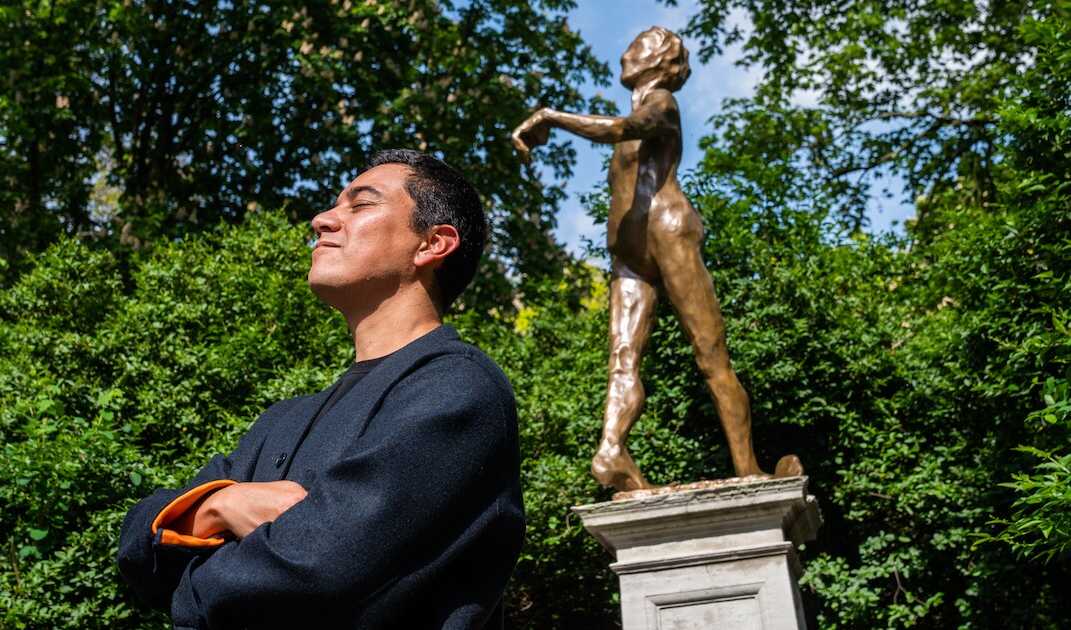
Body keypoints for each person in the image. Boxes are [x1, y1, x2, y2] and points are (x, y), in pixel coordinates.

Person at [117, 149, 524, 628]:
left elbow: (321, 574)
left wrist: (190, 589)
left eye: (360, 204)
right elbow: (137, 547)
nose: (322, 220)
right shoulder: (282, 420)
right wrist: (223, 504)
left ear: (432, 244)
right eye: (333, 205)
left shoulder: (457, 390)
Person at [512, 27, 800, 493]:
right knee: (622, 358)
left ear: (664, 61)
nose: (627, 52)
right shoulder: (642, 107)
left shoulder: (662, 103)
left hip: (668, 233)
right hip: (629, 248)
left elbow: (622, 129)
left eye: (641, 44)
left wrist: (551, 116)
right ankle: (611, 448)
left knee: (711, 355)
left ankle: (748, 468)